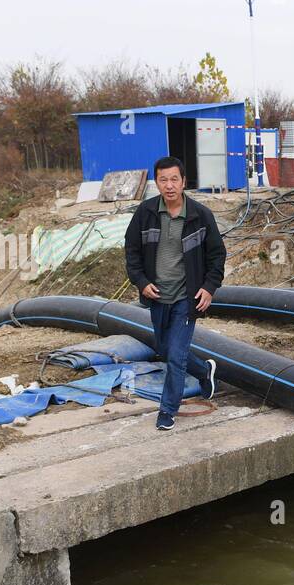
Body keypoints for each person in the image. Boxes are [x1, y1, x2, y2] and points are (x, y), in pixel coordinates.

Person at [123, 155, 226, 431]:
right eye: (163, 180)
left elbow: (217, 255)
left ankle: (167, 410)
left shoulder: (200, 215)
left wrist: (209, 287)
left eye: (174, 180)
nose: (169, 185)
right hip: (158, 297)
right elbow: (131, 252)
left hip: (186, 298)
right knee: (167, 350)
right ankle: (205, 371)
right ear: (156, 182)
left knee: (176, 355)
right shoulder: (145, 214)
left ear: (184, 182)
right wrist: (142, 281)